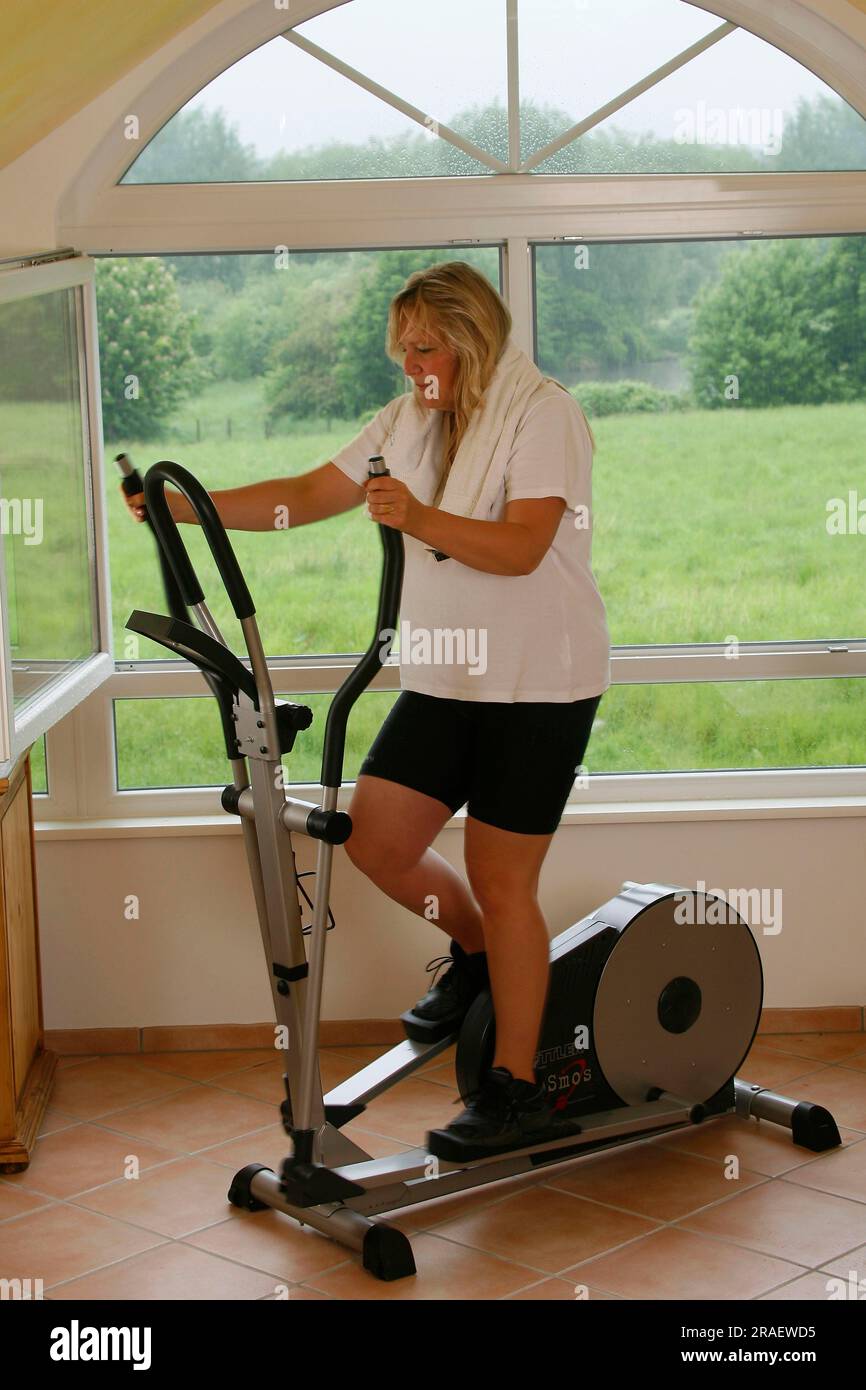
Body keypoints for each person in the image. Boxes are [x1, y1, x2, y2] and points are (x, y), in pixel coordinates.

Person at [122, 260, 610, 1160]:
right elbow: (308, 496)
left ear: (472, 338)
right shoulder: (410, 417)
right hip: (442, 676)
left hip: (538, 684)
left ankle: (516, 1089)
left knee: (505, 882)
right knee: (377, 839)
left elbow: (523, 547)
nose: (411, 365)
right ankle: (473, 965)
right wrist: (184, 511)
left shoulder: (545, 413)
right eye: (403, 350)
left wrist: (417, 518)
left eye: (425, 348)